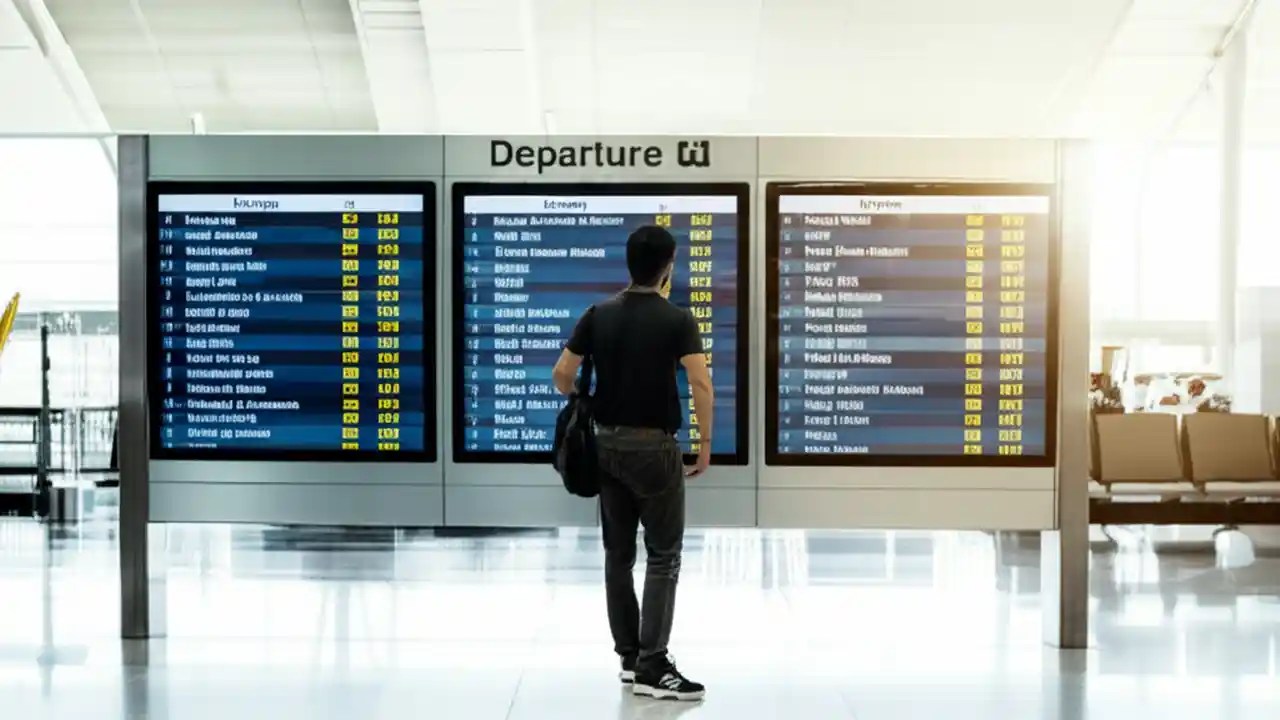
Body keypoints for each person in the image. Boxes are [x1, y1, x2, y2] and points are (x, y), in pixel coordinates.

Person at [552, 225, 714, 702]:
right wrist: (704, 445)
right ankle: (653, 664)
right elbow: (700, 385)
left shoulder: (598, 314)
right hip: (654, 450)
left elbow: (562, 373)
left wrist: (586, 398)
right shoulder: (677, 319)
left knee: (617, 555)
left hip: (606, 447)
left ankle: (629, 658)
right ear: (668, 267)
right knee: (663, 556)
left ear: (629, 264)